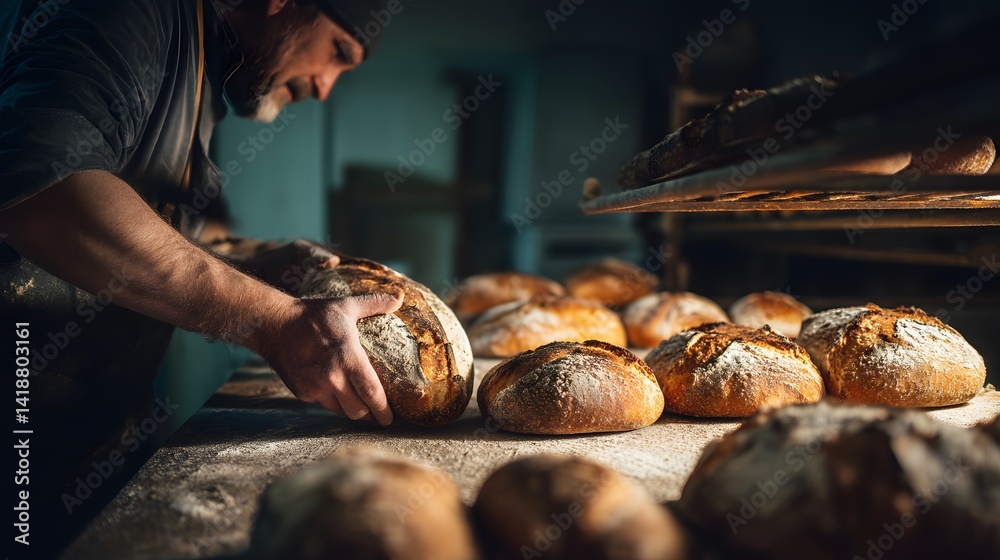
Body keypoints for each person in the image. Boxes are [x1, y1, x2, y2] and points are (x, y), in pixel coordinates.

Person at [0, 0, 397, 553]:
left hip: (93, 432)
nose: (325, 87)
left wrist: (254, 264)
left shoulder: (204, 60)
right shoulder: (138, 13)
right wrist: (270, 318)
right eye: (338, 53)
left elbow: (147, 221)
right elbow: (42, 191)